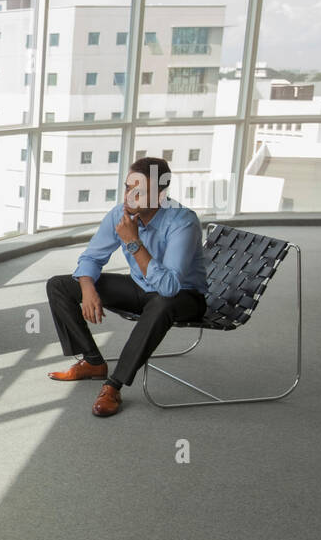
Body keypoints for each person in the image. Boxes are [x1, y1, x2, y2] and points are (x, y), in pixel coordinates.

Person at [44, 156, 209, 417]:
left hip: (184, 296)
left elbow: (168, 287)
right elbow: (91, 258)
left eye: (139, 191)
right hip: (141, 288)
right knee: (60, 285)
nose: (130, 196)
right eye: (127, 187)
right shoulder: (118, 214)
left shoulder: (183, 221)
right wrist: (87, 288)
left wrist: (133, 242)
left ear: (159, 194)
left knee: (161, 302)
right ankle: (93, 362)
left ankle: (114, 386)